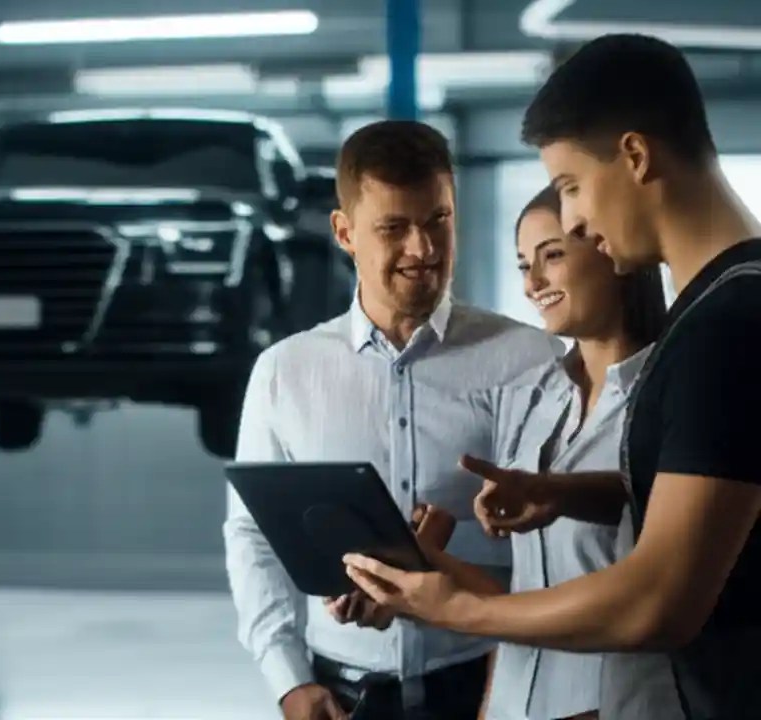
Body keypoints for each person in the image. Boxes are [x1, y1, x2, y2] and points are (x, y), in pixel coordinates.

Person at [338, 33, 761, 720]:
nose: (575, 219)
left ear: (634, 155)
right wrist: (571, 493)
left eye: (570, 186)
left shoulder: (725, 326)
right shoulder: (726, 305)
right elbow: (722, 493)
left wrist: (466, 611)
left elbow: (659, 602)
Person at [224, 119, 562, 720]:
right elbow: (252, 536)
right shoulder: (283, 372)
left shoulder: (530, 359)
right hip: (342, 695)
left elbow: (559, 549)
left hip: (492, 688)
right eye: (394, 228)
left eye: (438, 221)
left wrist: (426, 564)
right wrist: (288, 679)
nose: (423, 249)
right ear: (344, 232)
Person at [334, 185, 680, 720]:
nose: (532, 283)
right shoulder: (534, 399)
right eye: (523, 264)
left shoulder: (673, 396)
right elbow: (519, 596)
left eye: (553, 256)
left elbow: (669, 601)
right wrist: (417, 569)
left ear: (611, 249)